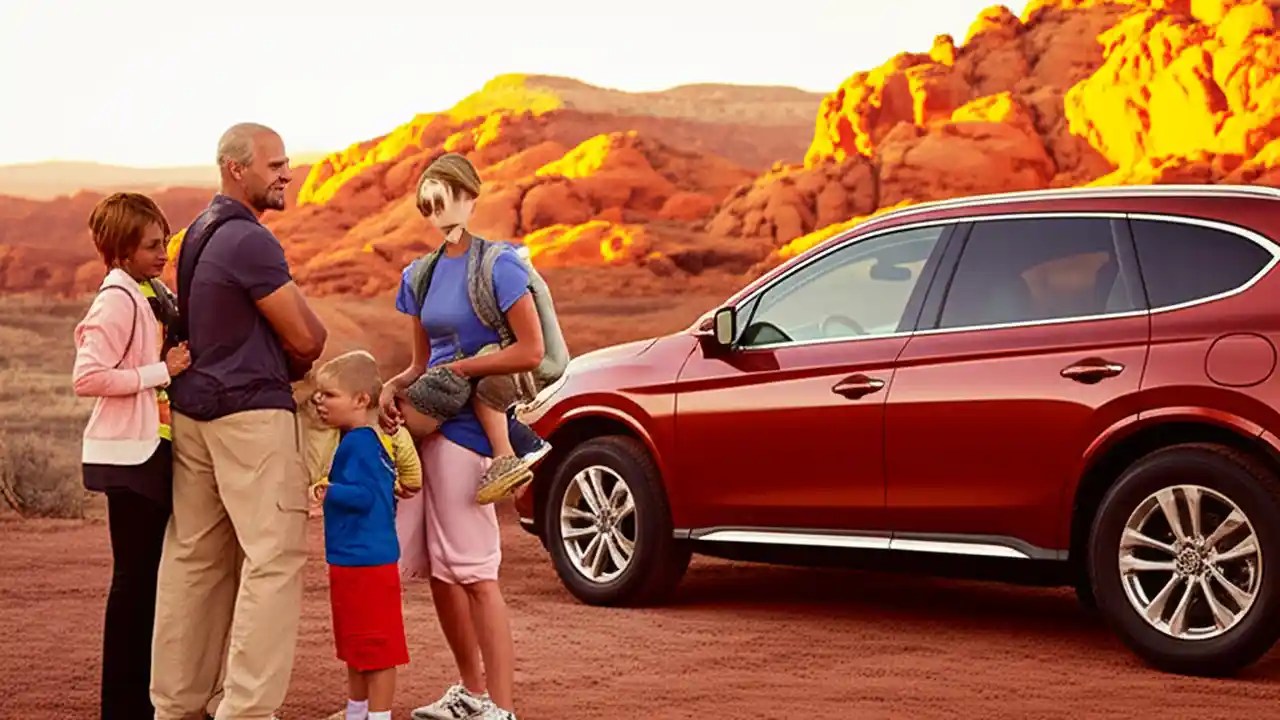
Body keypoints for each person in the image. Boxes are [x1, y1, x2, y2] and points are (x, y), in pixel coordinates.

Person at [150, 122, 328, 720]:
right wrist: (300, 354)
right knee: (274, 560)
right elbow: (307, 335)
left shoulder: (197, 232)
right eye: (275, 164)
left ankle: (176, 706)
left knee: (194, 562)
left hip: (196, 413)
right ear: (236, 168)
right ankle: (247, 711)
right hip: (249, 416)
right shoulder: (250, 240)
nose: (287, 173)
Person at [382, 153, 544, 720]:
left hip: (471, 432)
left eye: (446, 196)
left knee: (473, 570)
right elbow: (419, 361)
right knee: (441, 572)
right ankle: (469, 692)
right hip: (429, 424)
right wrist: (391, 388)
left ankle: (499, 706)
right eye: (427, 201)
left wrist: (466, 371)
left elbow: (531, 351)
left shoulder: (498, 266)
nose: (437, 209)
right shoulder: (419, 276)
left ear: (472, 197)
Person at [72, 192, 191, 720]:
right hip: (130, 457)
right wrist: (161, 372)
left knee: (152, 578)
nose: (162, 252)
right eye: (150, 245)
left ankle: (146, 697)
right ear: (120, 250)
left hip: (153, 449)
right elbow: (87, 377)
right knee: (135, 580)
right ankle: (122, 707)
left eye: (164, 241)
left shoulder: (151, 289)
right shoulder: (117, 299)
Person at [312, 351, 411, 720]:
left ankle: (378, 715)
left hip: (367, 562)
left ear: (361, 400)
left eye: (330, 395)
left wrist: (329, 490)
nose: (320, 401)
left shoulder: (363, 445)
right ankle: (356, 711)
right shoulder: (357, 441)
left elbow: (368, 496)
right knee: (356, 645)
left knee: (377, 647)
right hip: (352, 559)